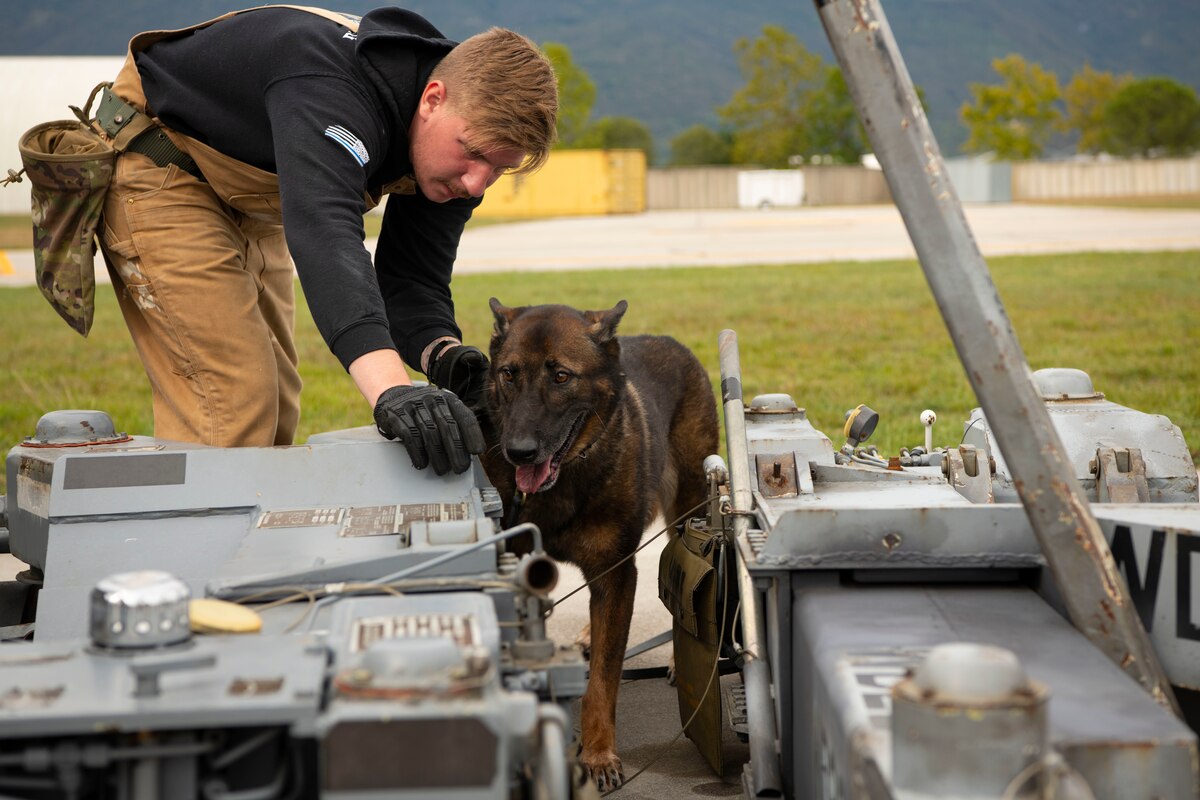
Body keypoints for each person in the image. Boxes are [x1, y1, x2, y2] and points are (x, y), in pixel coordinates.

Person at [95, 6, 558, 474]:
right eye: (474, 153)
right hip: (162, 162)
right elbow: (325, 233)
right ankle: (190, 544)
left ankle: (253, 542)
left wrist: (445, 356)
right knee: (233, 400)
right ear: (433, 99)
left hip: (247, 194)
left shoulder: (451, 153)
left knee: (276, 396)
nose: (478, 183)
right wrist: (392, 392)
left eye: (500, 168)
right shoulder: (333, 89)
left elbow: (411, 278)